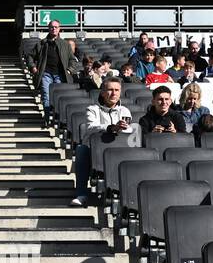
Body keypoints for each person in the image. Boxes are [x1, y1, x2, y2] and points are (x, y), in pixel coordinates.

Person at [72, 77, 136, 207]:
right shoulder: (92, 109)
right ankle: (82, 194)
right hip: (95, 150)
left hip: (118, 149)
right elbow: (91, 127)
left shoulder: (125, 111)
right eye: (110, 90)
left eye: (117, 90)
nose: (113, 93)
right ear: (102, 92)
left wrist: (123, 129)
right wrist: (111, 127)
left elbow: (129, 133)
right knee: (81, 150)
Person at [28, 19, 76, 114]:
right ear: (48, 29)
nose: (54, 29)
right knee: (46, 96)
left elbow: (72, 60)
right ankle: (47, 119)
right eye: (51, 27)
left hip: (60, 75)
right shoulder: (41, 43)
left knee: (58, 98)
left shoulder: (65, 44)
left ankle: (56, 118)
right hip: (46, 74)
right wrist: (33, 67)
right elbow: (30, 56)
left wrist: (69, 70)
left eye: (56, 27)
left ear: (59, 29)